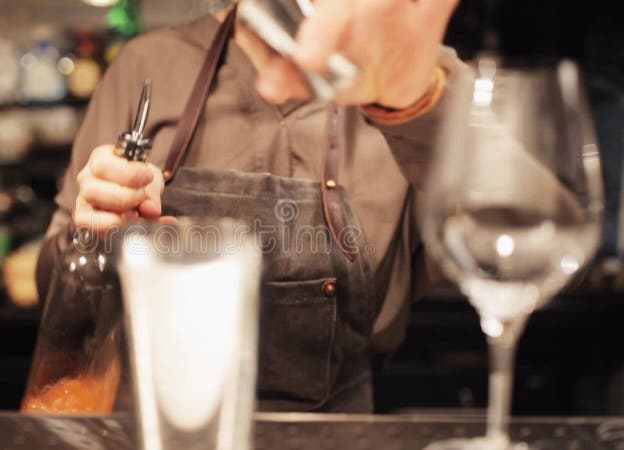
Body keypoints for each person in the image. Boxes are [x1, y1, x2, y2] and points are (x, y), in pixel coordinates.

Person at [36, 0, 464, 412]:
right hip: (154, 429)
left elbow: (497, 236)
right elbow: (54, 290)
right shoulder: (148, 65)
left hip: (336, 434)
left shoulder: (412, 80)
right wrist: (95, 237)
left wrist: (415, 100)